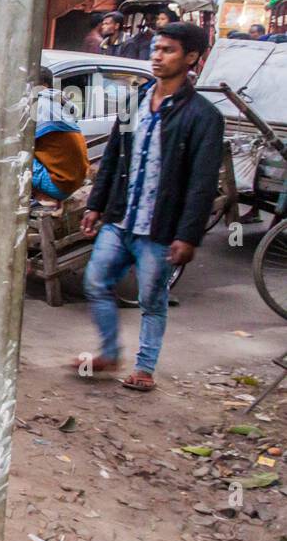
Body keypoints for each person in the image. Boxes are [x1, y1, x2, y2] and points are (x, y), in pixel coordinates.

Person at [78, 21, 224, 392]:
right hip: (121, 216)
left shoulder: (204, 116)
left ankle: (144, 368)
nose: (157, 57)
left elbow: (202, 183)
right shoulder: (136, 101)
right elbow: (113, 156)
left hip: (160, 226)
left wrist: (188, 235)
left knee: (152, 300)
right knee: (95, 282)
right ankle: (109, 353)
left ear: (191, 57)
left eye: (168, 50)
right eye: (156, 49)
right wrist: (96, 205)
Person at [31, 66, 89, 206]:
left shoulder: (42, 105)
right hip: (74, 180)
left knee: (12, 156)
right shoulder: (59, 102)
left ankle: (42, 198)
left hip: (60, 184)